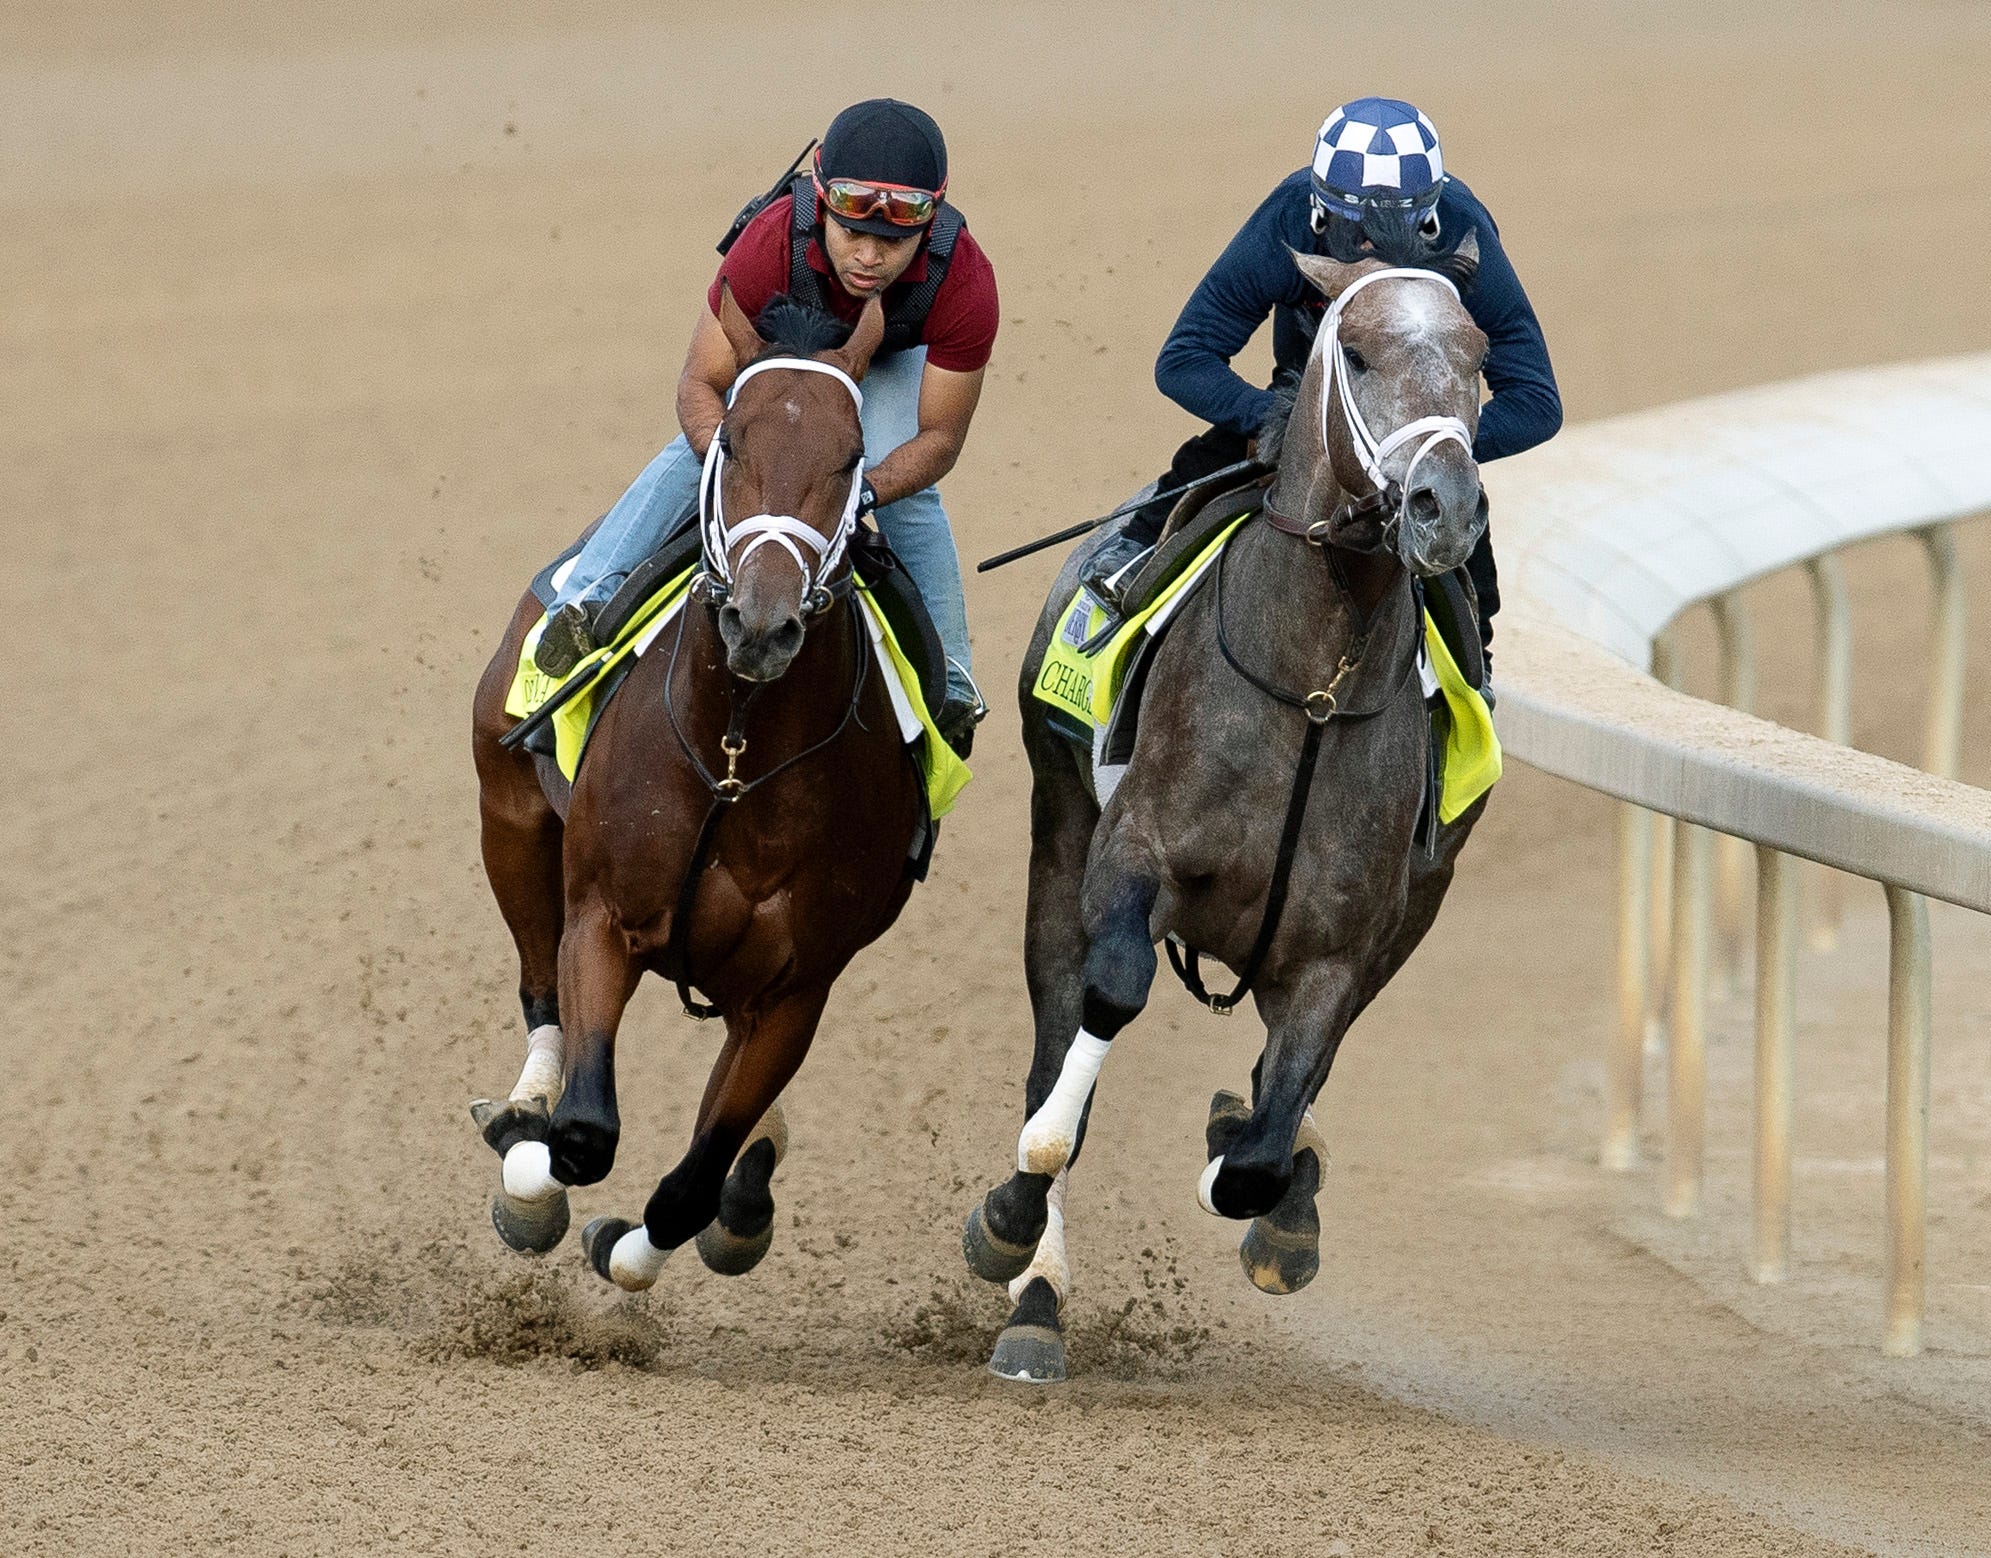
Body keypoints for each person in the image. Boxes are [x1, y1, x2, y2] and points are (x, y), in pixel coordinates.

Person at [533, 98, 999, 752]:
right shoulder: (768, 242)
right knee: (704, 444)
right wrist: (727, 454)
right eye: (851, 234)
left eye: (893, 243)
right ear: (819, 200)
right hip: (779, 346)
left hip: (889, 355)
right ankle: (582, 602)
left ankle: (949, 677)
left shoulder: (966, 283)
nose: (869, 258)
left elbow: (939, 440)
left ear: (930, 222)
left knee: (912, 488)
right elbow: (701, 383)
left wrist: (855, 491)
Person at [1087, 97, 1562, 664]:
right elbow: (1185, 358)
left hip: (1413, 422)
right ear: (1318, 213)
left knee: (1472, 591)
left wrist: (1425, 442)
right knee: (1199, 467)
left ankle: (1472, 674)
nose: (1369, 249)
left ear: (1431, 222)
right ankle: (1127, 564)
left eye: (1390, 234)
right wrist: (1289, 421)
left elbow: (1536, 400)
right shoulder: (1284, 219)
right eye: (1355, 231)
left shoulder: (1466, 230)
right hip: (1302, 395)